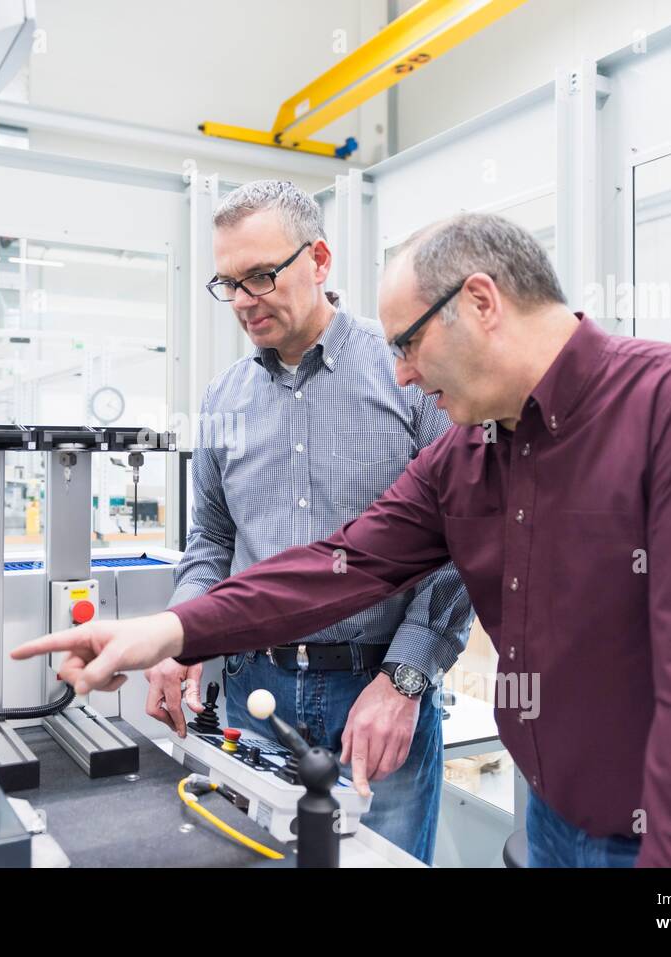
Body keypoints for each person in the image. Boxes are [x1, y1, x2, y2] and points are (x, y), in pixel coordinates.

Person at [14, 211, 671, 867]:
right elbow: (342, 563)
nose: (400, 373)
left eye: (408, 343)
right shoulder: (468, 451)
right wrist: (165, 630)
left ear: (482, 301)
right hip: (558, 820)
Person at [144, 180, 472, 862]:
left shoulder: (407, 375)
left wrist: (405, 681)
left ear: (319, 260)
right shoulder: (222, 398)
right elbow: (211, 538)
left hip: (375, 697)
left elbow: (461, 542)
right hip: (251, 694)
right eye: (227, 282)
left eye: (260, 275)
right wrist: (185, 633)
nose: (241, 300)